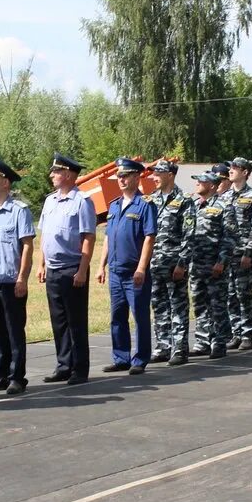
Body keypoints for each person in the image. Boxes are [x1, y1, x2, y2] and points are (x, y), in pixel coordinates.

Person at [37, 153, 96, 385]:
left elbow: (88, 238)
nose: (52, 175)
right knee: (58, 321)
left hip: (72, 269)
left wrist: (82, 270)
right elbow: (45, 235)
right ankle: (64, 365)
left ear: (69, 175)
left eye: (56, 171)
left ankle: (79, 369)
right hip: (53, 269)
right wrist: (41, 263)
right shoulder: (50, 201)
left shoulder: (82, 201)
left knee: (76, 321)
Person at [0, 156, 35, 396]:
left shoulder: (19, 211)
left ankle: (16, 376)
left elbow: (27, 246)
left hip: (11, 280)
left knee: (14, 330)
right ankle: (0, 374)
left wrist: (22, 277)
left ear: (5, 183)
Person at [97, 158, 157, 374]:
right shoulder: (113, 205)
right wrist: (101, 265)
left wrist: (142, 268)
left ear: (137, 177)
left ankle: (140, 359)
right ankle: (121, 357)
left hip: (134, 271)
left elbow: (150, 238)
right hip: (115, 271)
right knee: (117, 316)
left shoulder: (146, 205)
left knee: (139, 316)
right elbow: (108, 238)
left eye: (125, 176)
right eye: (119, 177)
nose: (121, 180)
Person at [148, 160, 194, 366]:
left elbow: (189, 235)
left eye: (158, 173)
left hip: (175, 264)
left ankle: (179, 348)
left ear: (170, 175)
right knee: (159, 307)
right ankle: (163, 346)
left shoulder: (184, 201)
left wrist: (182, 264)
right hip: (154, 264)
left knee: (178, 306)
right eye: (153, 173)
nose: (154, 177)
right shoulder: (150, 201)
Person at [188, 172, 236, 358]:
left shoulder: (225, 206)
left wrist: (221, 262)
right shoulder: (193, 206)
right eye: (197, 181)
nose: (198, 184)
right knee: (199, 304)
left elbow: (229, 237)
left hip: (215, 265)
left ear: (213, 186)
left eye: (202, 182)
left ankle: (219, 342)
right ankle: (202, 341)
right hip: (196, 264)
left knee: (217, 305)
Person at [224, 157, 252, 350]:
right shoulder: (224, 197)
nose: (231, 170)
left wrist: (248, 253)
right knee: (230, 294)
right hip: (227, 255)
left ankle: (247, 334)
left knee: (244, 294)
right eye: (230, 167)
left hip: (244, 255)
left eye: (235, 167)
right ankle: (236, 333)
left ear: (245, 172)